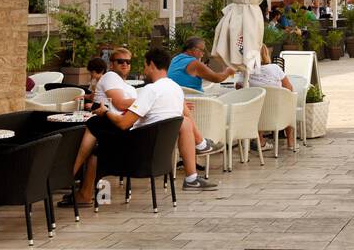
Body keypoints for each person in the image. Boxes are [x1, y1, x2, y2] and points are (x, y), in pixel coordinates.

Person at [79, 48, 218, 200]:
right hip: (160, 155)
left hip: (137, 154)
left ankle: (83, 191)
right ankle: (192, 176)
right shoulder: (175, 89)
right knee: (184, 122)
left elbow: (124, 124)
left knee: (96, 139)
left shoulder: (150, 91)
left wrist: (105, 112)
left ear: (151, 65)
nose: (144, 70)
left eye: (145, 66)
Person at [250, 46, 298, 152]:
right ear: (266, 54)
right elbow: (289, 88)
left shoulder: (247, 71)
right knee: (288, 107)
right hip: (277, 111)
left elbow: (239, 87)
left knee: (258, 105)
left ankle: (260, 141)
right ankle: (290, 142)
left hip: (256, 113)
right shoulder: (275, 68)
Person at [168, 38, 237, 93]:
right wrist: (228, 71)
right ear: (194, 50)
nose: (203, 53)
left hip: (179, 98)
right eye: (202, 50)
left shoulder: (175, 59)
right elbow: (217, 78)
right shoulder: (194, 63)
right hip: (195, 100)